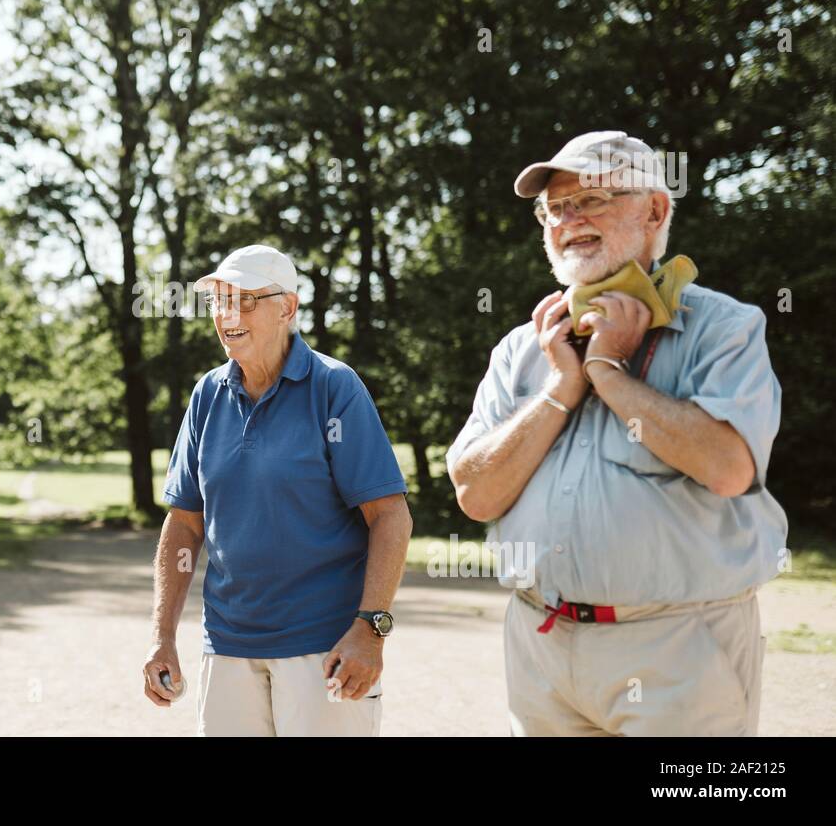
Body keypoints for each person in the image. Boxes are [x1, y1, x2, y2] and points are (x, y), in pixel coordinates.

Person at [447, 131, 788, 736]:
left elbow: (730, 468)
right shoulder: (523, 348)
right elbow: (475, 494)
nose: (568, 220)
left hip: (679, 650)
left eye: (593, 199)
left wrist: (608, 372)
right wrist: (562, 386)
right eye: (554, 209)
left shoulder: (725, 328)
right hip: (541, 646)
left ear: (654, 209)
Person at [144, 244, 413, 736]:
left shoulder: (334, 387)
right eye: (219, 302)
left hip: (325, 647)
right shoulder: (208, 395)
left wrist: (370, 629)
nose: (228, 315)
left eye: (244, 300)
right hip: (226, 645)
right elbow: (183, 524)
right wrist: (162, 637)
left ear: (287, 307)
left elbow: (390, 515)